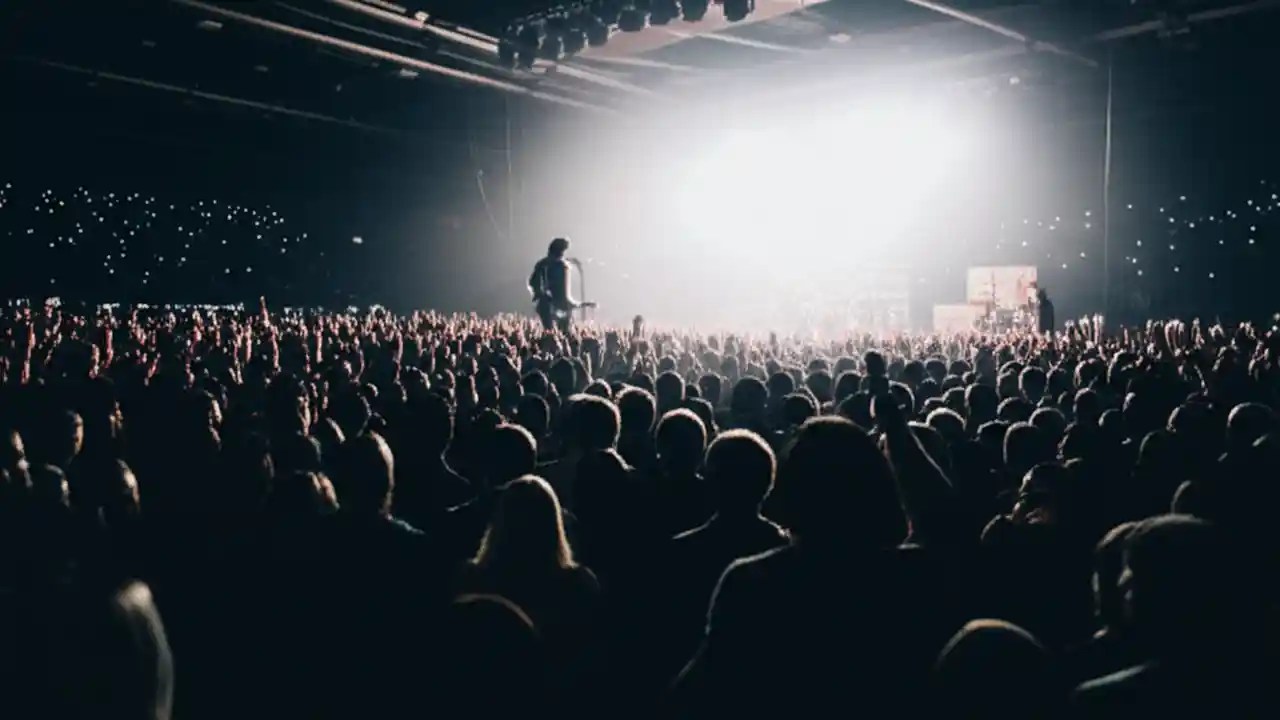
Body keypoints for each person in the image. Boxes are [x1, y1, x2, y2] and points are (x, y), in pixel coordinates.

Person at [528, 237, 579, 333]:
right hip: (554, 306)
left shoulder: (544, 264)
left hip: (549, 306)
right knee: (560, 332)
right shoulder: (561, 266)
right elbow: (563, 293)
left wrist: (539, 295)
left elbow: (532, 282)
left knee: (552, 332)